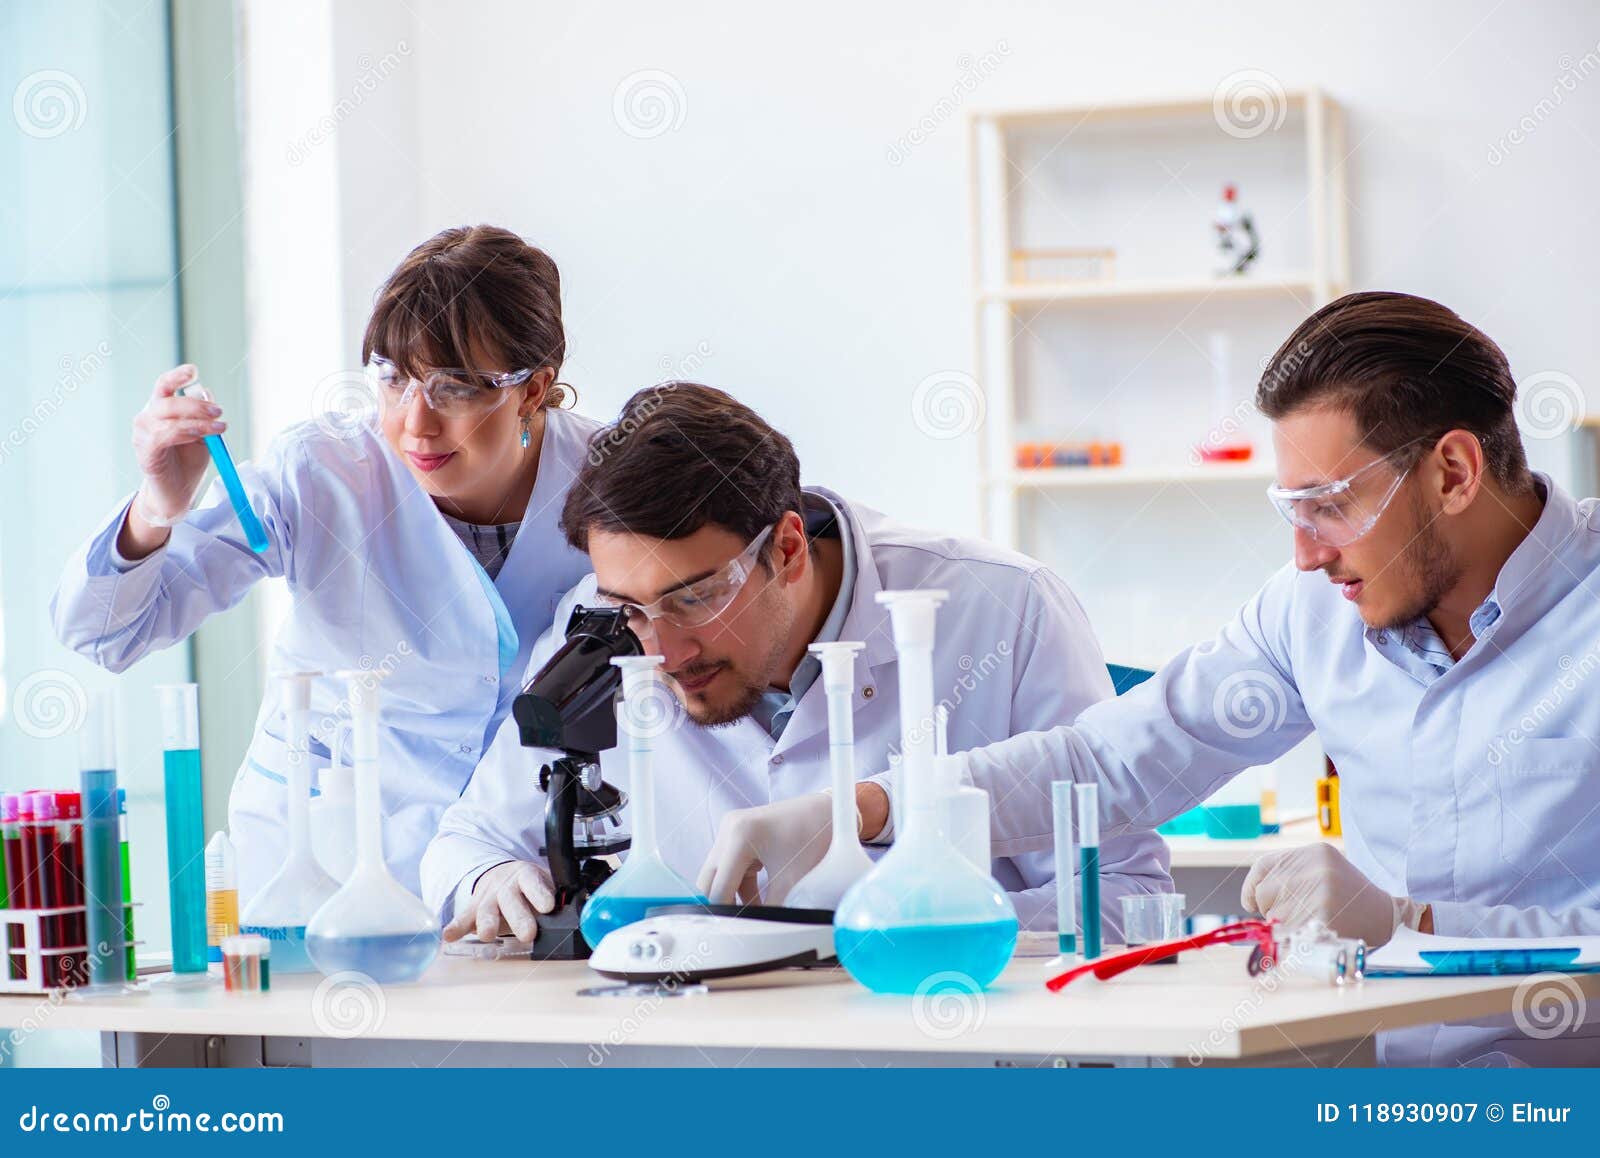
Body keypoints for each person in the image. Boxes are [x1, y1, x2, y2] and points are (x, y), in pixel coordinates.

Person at [944, 291, 1600, 1065]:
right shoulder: (1311, 611)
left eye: (1329, 505)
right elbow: (1111, 760)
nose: (1306, 555)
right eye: (1292, 510)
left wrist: (1410, 923)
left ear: (1453, 473)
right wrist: (870, 806)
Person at [422, 383, 1170, 942]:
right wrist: (487, 879)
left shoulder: (1005, 608)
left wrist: (896, 916)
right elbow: (464, 841)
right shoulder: (605, 622)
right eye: (632, 608)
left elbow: (1124, 900)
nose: (662, 652)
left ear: (784, 547)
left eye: (694, 599)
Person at [52, 225, 601, 898]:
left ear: (534, 388)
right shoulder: (322, 475)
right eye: (395, 380)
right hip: (319, 862)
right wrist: (158, 505)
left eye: (455, 387)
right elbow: (105, 634)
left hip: (512, 866)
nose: (416, 423)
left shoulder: (610, 484)